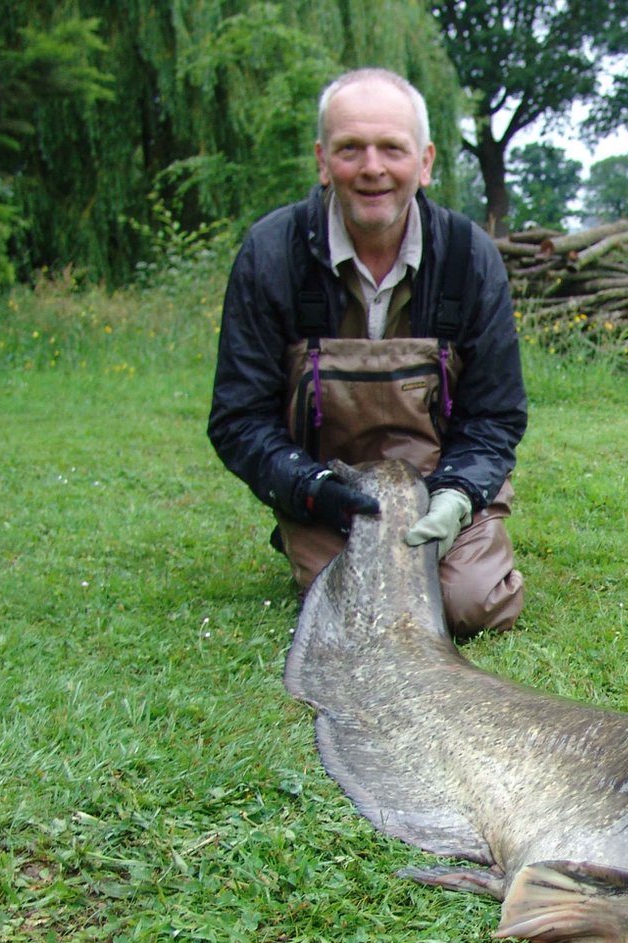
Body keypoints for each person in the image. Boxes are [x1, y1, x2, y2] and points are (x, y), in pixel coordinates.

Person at [208, 67, 525, 636]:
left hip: (439, 482)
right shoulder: (270, 253)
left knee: (469, 605)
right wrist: (307, 489)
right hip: (328, 488)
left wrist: (456, 496)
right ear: (322, 161)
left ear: (425, 163)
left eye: (392, 149)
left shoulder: (468, 257)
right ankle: (308, 538)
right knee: (358, 612)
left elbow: (495, 415)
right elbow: (238, 418)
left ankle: (462, 534)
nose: (372, 167)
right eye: (350, 148)